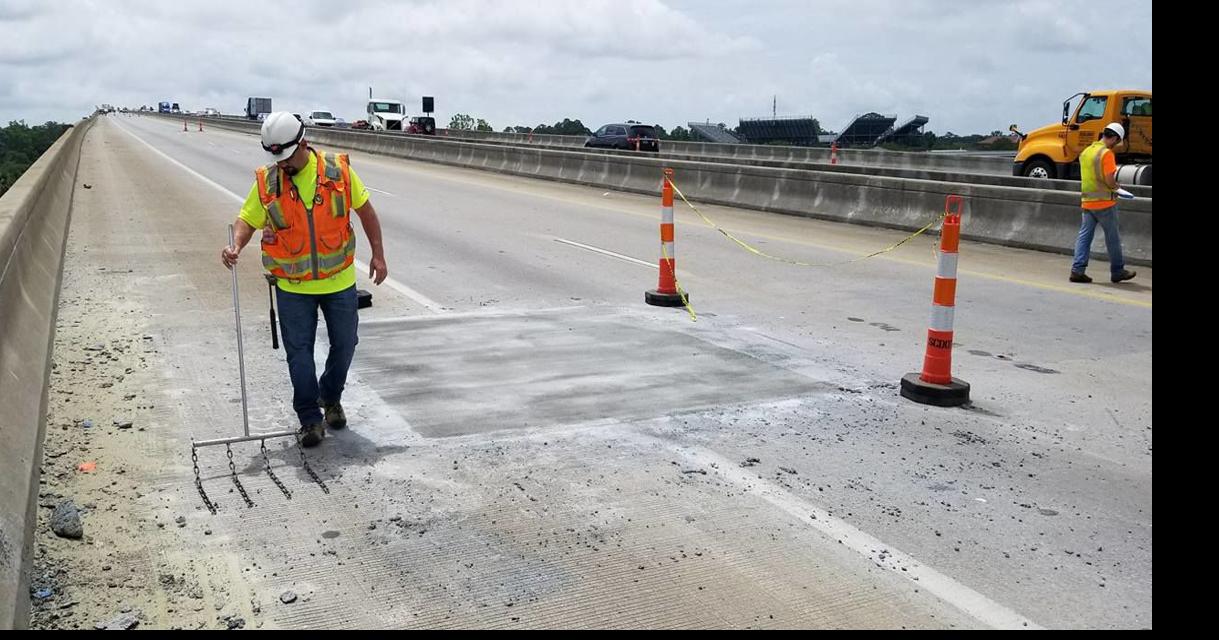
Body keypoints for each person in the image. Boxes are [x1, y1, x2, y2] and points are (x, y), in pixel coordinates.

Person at [221, 112, 388, 446]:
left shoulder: (337, 171)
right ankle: (309, 418)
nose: (282, 165)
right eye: (276, 159)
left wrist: (378, 255)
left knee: (345, 346)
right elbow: (247, 219)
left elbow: (366, 211)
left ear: (304, 144)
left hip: (338, 282)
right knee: (299, 354)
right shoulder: (268, 182)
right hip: (293, 287)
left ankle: (331, 396)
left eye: (286, 158)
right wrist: (235, 244)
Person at [1070, 122, 1137, 284]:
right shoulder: (1106, 154)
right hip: (1105, 203)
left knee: (1084, 237)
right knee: (1112, 238)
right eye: (1117, 141)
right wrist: (1117, 187)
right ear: (1113, 137)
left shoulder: (1087, 152)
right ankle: (1118, 271)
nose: (1116, 145)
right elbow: (1109, 179)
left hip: (1087, 202)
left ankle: (1077, 270)